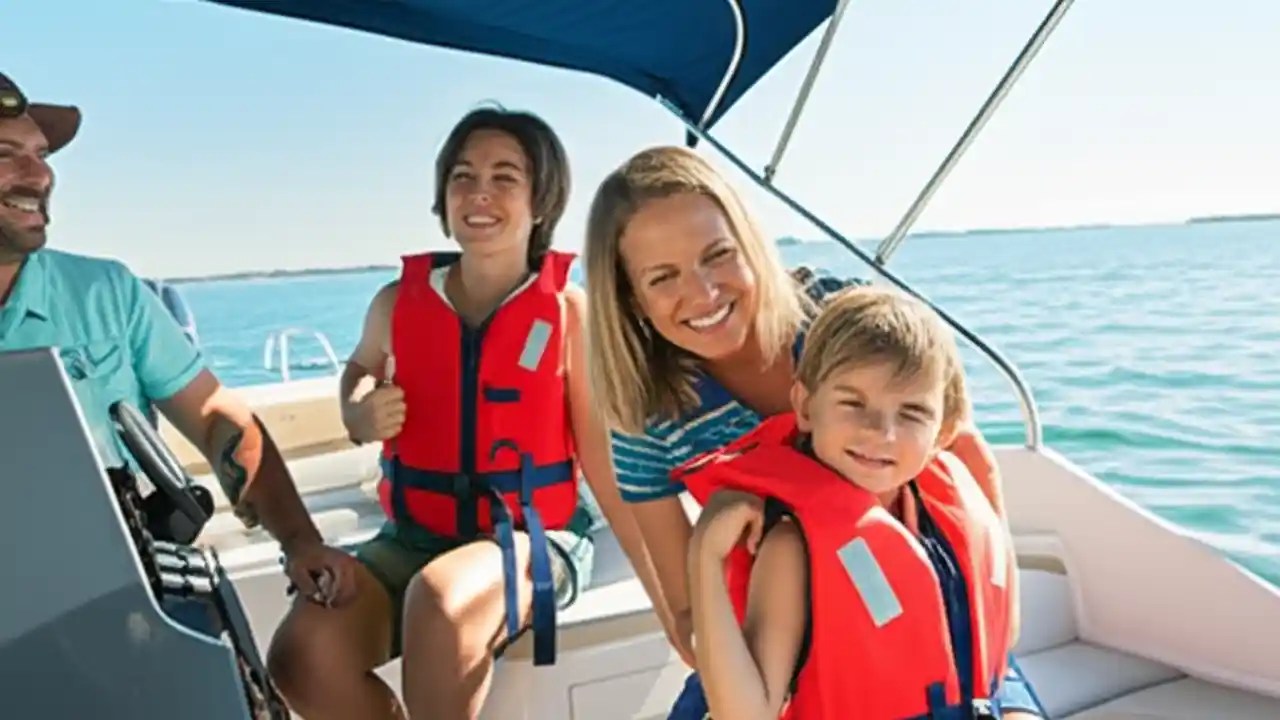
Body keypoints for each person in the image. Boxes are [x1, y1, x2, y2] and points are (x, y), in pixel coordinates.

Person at [581, 145, 1043, 717]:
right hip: (772, 650)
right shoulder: (641, 412)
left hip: (943, 634)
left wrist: (992, 629)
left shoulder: (840, 314)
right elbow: (688, 617)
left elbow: (965, 451)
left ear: (750, 244)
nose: (702, 293)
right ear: (631, 299)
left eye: (718, 255)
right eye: (663, 277)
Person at [266, 107, 665, 720]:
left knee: (439, 603)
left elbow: (604, 467)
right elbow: (358, 376)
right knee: (302, 650)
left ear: (541, 202)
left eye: (505, 176)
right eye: (462, 175)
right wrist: (358, 413)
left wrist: (670, 597)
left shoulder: (568, 313)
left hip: (531, 535)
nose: (479, 192)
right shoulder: (397, 303)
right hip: (413, 535)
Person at [0, 73, 356, 611]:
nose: (40, 174)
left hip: (117, 596)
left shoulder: (107, 294)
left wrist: (298, 539)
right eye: (6, 153)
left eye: (42, 154)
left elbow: (215, 416)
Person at [683, 286, 1025, 719]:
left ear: (943, 432)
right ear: (806, 408)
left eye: (912, 413)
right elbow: (747, 714)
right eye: (853, 403)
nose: (880, 432)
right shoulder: (794, 547)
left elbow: (1004, 637)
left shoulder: (944, 511)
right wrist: (705, 558)